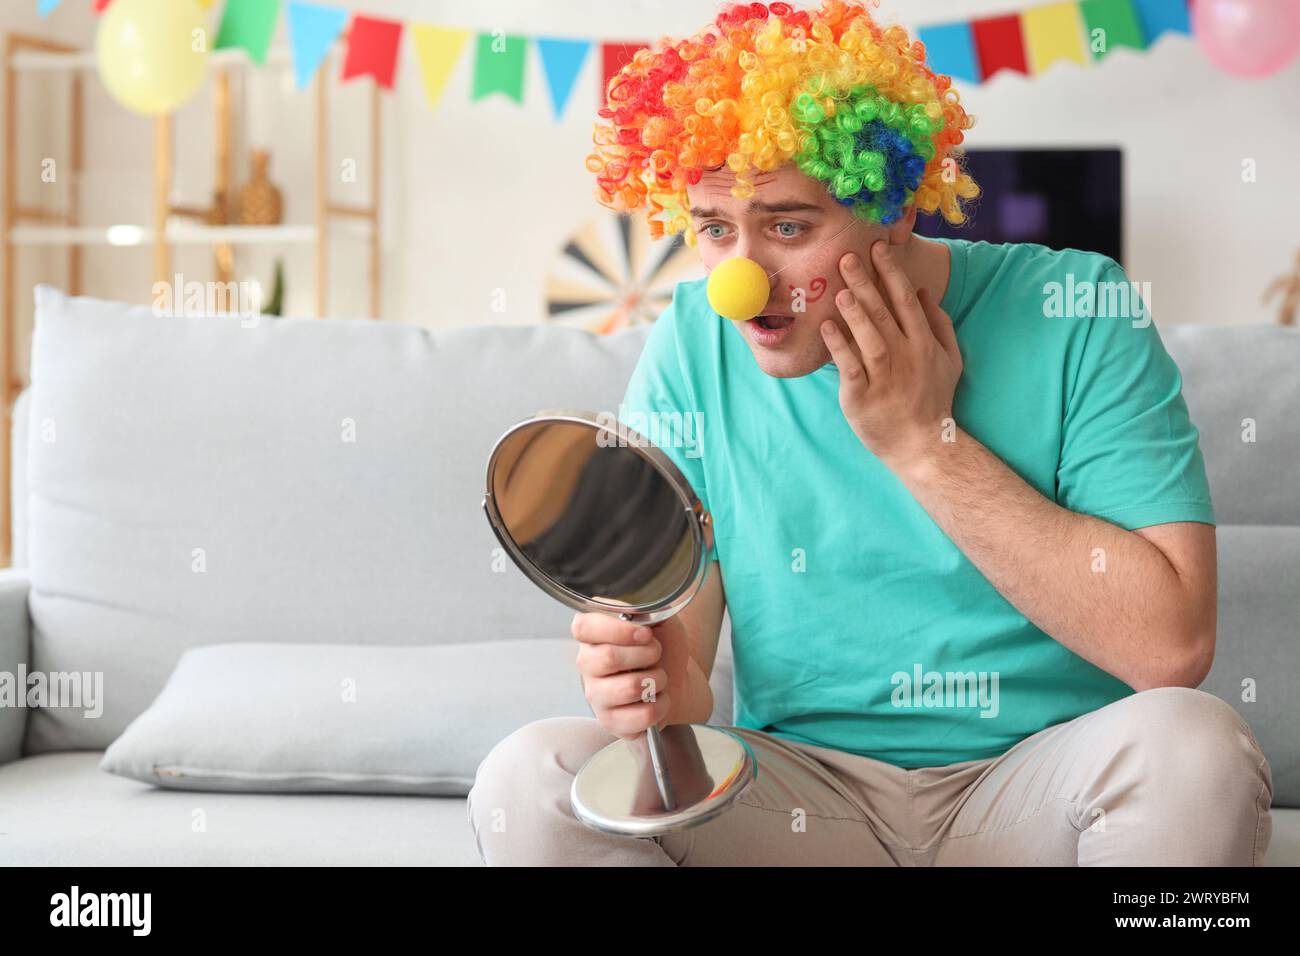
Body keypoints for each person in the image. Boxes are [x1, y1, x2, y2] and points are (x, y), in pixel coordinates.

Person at [467, 0, 1272, 866]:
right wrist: (657, 680)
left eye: (787, 226)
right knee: (532, 774)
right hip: (798, 800)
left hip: (1040, 791)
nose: (740, 282)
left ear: (893, 206)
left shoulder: (1078, 310)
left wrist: (924, 443)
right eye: (712, 229)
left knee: (1191, 745)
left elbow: (1172, 646)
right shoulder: (696, 336)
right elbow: (689, 686)